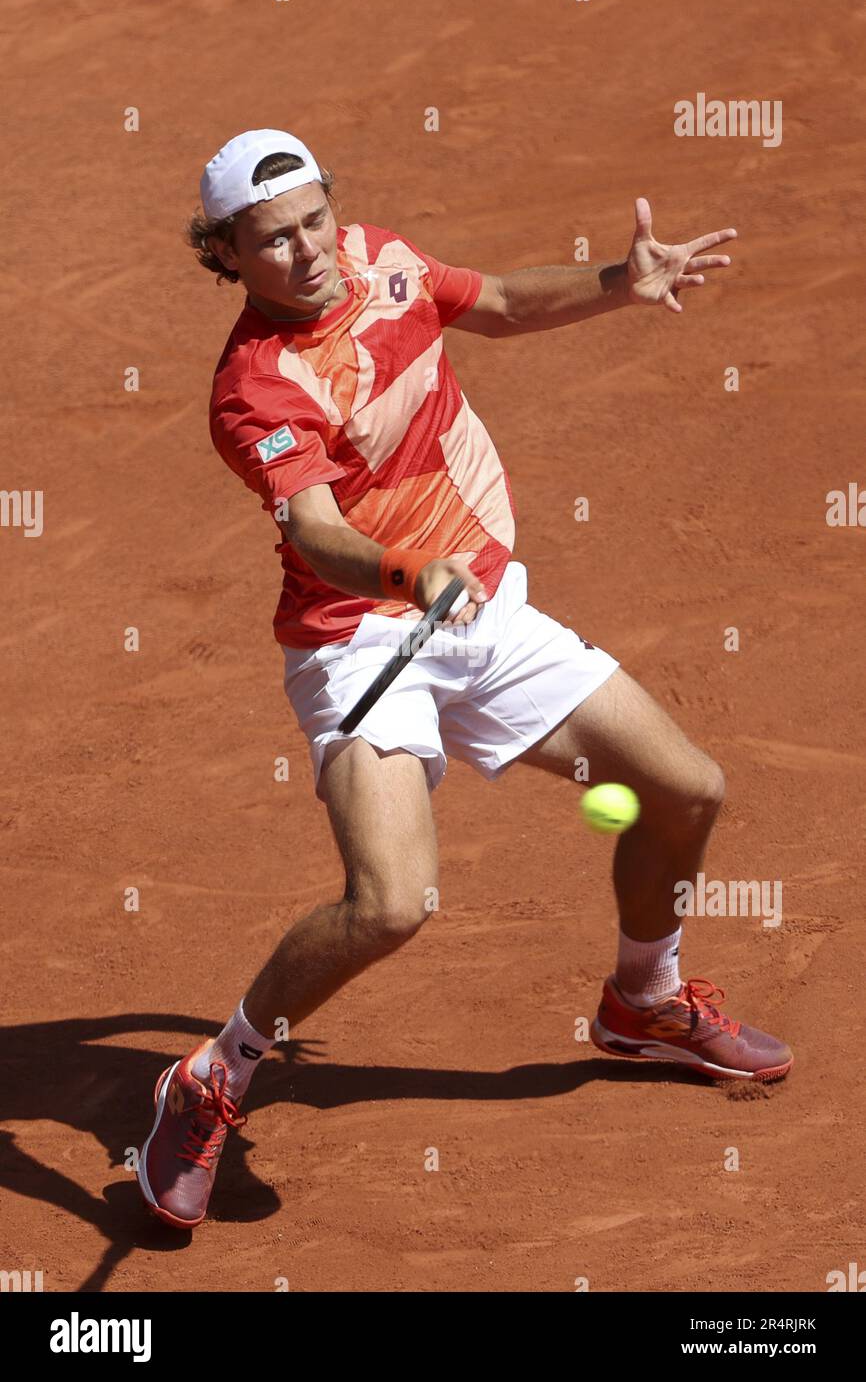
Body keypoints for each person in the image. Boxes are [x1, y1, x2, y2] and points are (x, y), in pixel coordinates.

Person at [136, 129, 792, 1231]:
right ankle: (213, 1074)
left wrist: (614, 284)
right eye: (270, 241)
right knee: (389, 902)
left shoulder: (379, 257)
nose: (305, 253)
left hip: (479, 610)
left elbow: (488, 300)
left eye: (311, 222)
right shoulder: (255, 387)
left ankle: (644, 999)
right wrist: (406, 568)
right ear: (227, 256)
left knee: (686, 789)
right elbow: (315, 527)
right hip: (360, 639)